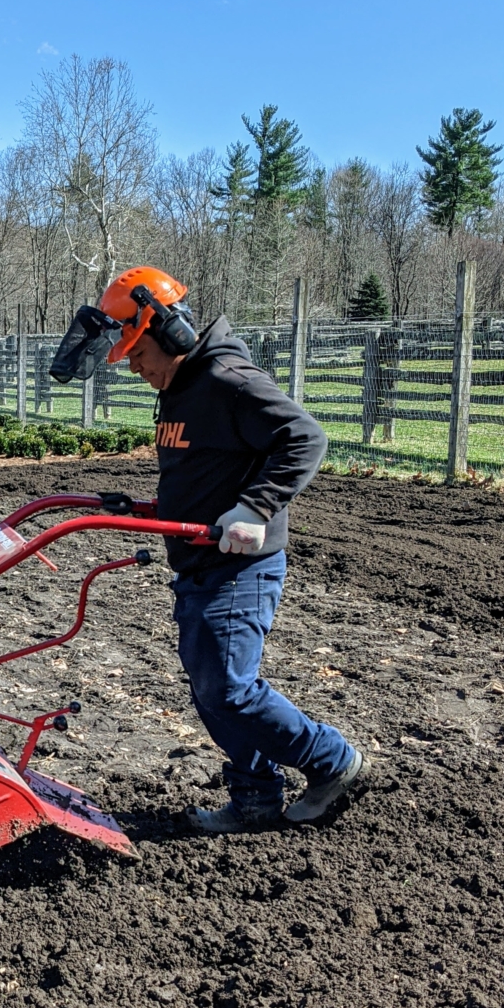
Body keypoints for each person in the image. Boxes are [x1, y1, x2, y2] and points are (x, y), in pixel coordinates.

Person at [94, 266, 364, 833]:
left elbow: (304, 438)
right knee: (212, 691)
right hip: (197, 560)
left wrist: (255, 509)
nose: (135, 368)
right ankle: (256, 798)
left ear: (170, 335)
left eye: (138, 353)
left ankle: (332, 761)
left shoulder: (227, 378)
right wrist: (153, 508)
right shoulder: (181, 388)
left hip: (239, 566)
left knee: (230, 688)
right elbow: (209, 466)